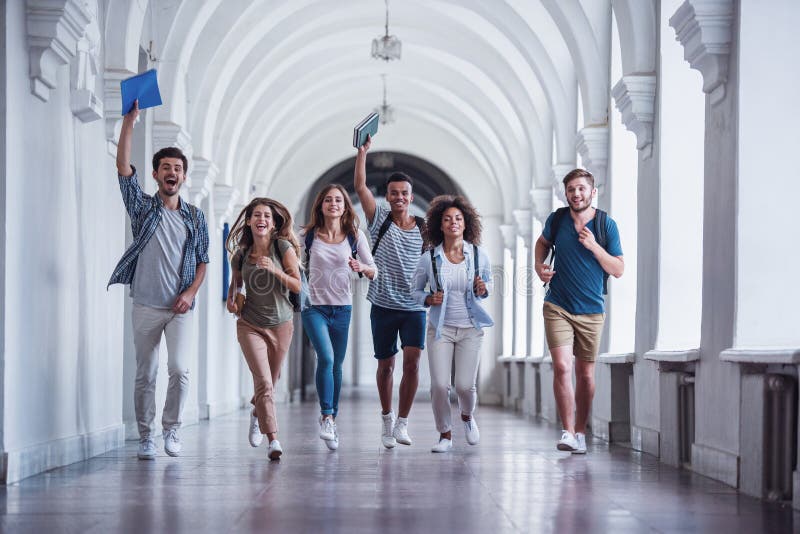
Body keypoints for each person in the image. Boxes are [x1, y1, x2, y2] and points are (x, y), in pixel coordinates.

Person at [108, 100, 210, 460]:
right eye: (165, 167)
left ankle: (172, 430)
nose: (172, 172)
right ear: (156, 175)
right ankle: (146, 436)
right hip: (146, 304)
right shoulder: (143, 208)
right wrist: (129, 122)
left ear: (184, 177)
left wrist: (191, 292)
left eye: (177, 168)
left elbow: (203, 261)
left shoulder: (195, 218)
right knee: (145, 374)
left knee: (180, 370)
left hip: (179, 307)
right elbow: (123, 170)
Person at [533, 169, 624, 454]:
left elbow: (618, 269)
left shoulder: (606, 225)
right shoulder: (557, 219)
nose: (576, 194)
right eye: (571, 189)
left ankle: (581, 431)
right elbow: (542, 243)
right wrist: (539, 266)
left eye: (582, 189)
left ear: (592, 192)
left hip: (591, 310)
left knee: (585, 375)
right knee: (562, 366)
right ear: (566, 193)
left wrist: (594, 246)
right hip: (557, 304)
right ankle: (568, 431)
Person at [354, 136, 426, 448]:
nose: (399, 197)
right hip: (382, 305)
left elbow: (437, 262)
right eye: (394, 193)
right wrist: (362, 154)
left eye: (404, 194)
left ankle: (403, 424)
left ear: (411, 197)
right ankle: (386, 417)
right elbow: (360, 188)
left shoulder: (424, 227)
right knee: (386, 366)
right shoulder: (379, 219)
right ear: (388, 196)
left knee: (412, 364)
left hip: (414, 308)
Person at [412, 195, 493, 453]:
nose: (453, 223)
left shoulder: (479, 255)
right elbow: (414, 290)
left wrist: (484, 287)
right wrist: (427, 297)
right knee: (439, 386)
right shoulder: (429, 259)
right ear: (440, 225)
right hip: (441, 330)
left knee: (464, 386)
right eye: (447, 219)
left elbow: (489, 284)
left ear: (466, 223)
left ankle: (467, 417)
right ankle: (445, 434)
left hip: (471, 328)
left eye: (458, 218)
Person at [301, 184, 377, 451]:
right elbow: (292, 262)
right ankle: (326, 415)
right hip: (314, 307)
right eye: (328, 200)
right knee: (327, 357)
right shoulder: (308, 235)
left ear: (345, 206)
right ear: (321, 205)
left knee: (337, 367)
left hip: (342, 308)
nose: (333, 204)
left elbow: (373, 271)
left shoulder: (355, 237)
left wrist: (361, 267)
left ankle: (332, 420)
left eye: (338, 200)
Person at [225, 198, 302, 461]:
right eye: (257, 215)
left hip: (281, 325)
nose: (262, 220)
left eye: (267, 216)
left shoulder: (283, 248)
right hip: (250, 325)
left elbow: (297, 286)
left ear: (273, 223)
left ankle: (257, 412)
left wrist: (274, 270)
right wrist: (232, 299)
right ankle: (274, 439)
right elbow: (235, 286)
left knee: (272, 380)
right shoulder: (241, 255)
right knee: (265, 383)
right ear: (249, 221)